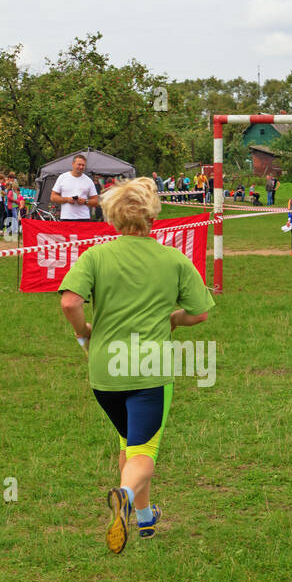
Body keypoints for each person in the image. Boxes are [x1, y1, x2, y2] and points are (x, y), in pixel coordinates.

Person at [57, 177, 215, 553]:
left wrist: (84, 334)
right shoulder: (173, 259)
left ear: (112, 216)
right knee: (145, 450)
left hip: (104, 373)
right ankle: (125, 497)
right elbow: (201, 313)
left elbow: (69, 303)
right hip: (149, 370)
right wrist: (173, 319)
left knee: (129, 442)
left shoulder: (96, 255)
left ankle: (144, 518)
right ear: (152, 215)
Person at [52, 153, 99, 221]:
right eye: (79, 164)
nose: (81, 167)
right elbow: (53, 197)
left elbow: (96, 201)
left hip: (84, 218)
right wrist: (67, 199)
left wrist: (85, 201)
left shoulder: (88, 180)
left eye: (83, 165)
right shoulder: (62, 177)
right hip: (66, 218)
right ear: (73, 164)